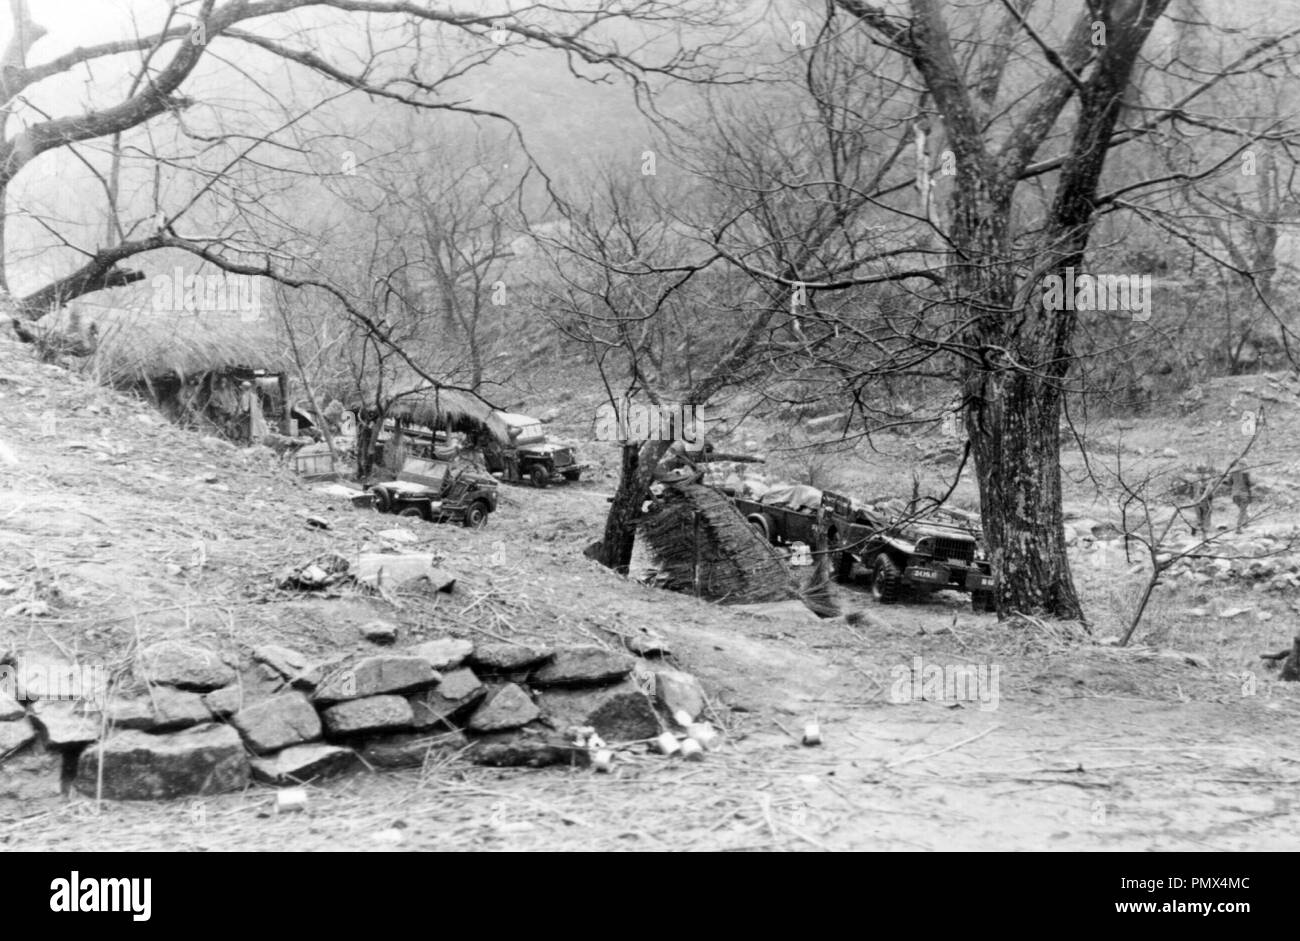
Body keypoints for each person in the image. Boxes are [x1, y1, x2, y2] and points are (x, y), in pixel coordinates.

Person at [1231, 467, 1253, 532]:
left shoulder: (1233, 473)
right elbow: (1249, 483)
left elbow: (1229, 482)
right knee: (1242, 511)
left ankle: (1245, 523)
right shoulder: (1245, 473)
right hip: (1243, 494)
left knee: (1243, 510)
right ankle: (1238, 527)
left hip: (1234, 495)